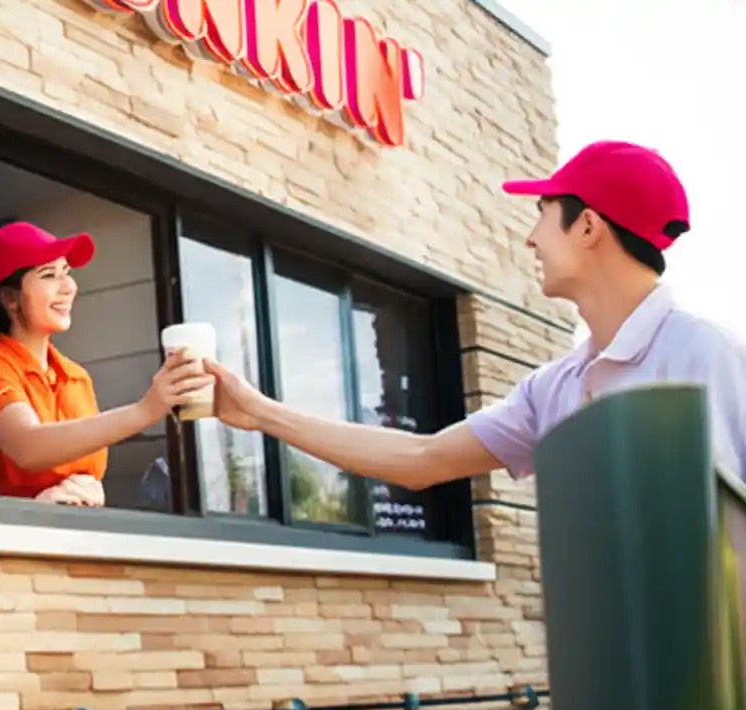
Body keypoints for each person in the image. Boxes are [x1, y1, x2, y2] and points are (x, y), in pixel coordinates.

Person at [207, 140, 746, 487]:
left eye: (543, 216)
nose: (531, 239)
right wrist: (259, 413)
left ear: (587, 227)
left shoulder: (708, 355)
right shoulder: (553, 389)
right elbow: (424, 458)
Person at [0, 221, 211, 506]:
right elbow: (28, 446)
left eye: (67, 272)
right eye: (49, 275)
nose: (68, 287)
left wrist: (90, 490)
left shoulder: (76, 376)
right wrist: (146, 410)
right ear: (9, 297)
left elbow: (87, 474)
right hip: (19, 540)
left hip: (77, 534)